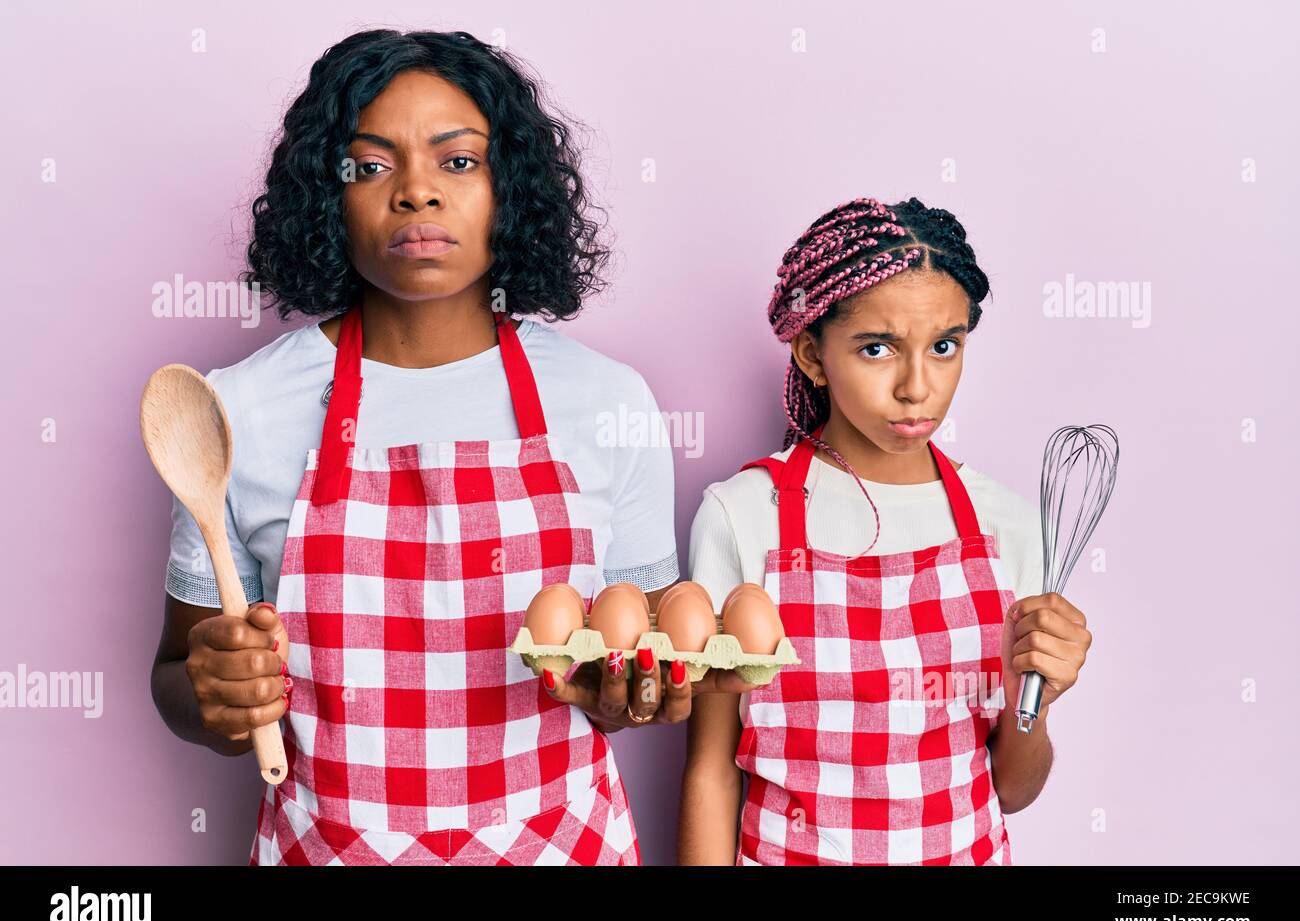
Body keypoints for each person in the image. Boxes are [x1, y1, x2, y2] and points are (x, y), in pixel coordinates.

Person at [151, 29, 684, 865]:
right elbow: (178, 678)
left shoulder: (607, 400)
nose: (417, 194)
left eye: (459, 162)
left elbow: (650, 648)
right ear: (327, 198)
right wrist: (214, 694)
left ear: (511, 188)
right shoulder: (239, 408)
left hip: (561, 844)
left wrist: (628, 693)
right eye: (370, 166)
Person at [678, 197, 1094, 865]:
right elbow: (711, 770)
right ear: (813, 355)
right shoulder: (743, 514)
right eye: (878, 349)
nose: (916, 387)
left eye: (944, 347)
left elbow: (1012, 790)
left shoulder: (1007, 523)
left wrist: (1032, 702)